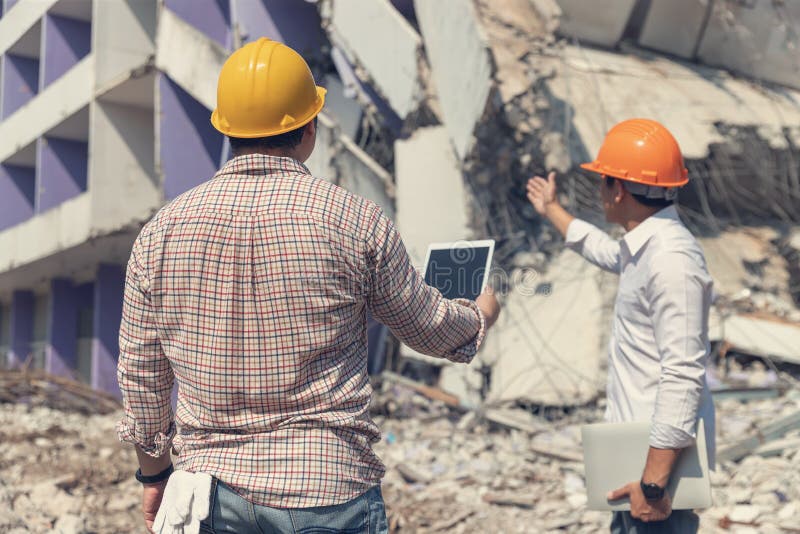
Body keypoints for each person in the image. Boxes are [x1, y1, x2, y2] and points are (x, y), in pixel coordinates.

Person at [116, 38, 500, 534]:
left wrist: (154, 476)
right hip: (329, 490)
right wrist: (478, 313)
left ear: (227, 128)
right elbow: (430, 329)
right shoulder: (354, 219)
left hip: (209, 493)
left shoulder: (161, 233)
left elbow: (142, 376)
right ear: (310, 127)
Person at [526, 119, 715, 533]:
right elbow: (604, 251)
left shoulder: (671, 261)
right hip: (641, 468)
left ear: (619, 189)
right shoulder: (645, 248)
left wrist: (652, 487)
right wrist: (552, 209)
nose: (600, 193)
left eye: (603, 182)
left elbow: (683, 373)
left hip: (656, 486)